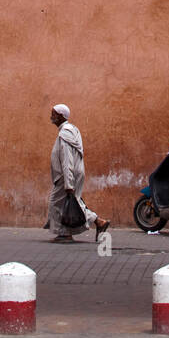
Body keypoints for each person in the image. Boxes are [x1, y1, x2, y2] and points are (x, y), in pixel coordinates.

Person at [47, 104, 110, 243]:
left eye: (54, 114)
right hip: (72, 173)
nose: (51, 116)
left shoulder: (65, 133)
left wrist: (68, 182)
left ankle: (64, 233)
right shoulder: (71, 130)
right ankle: (99, 221)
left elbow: (67, 158)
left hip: (67, 175)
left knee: (55, 203)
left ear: (61, 116)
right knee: (73, 201)